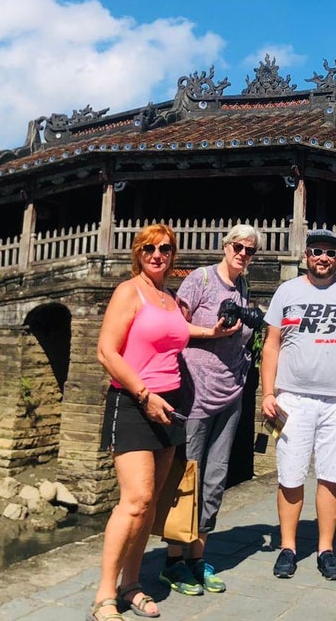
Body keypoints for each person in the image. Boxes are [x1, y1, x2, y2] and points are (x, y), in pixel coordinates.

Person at [91, 224, 234, 621]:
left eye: (165, 249)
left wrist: (211, 331)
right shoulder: (128, 292)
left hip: (168, 404)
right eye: (150, 248)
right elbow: (106, 351)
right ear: (138, 253)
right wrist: (143, 394)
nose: (158, 254)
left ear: (173, 255)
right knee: (135, 500)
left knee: (152, 503)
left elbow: (177, 332)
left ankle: (132, 584)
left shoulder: (168, 299)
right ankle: (105, 594)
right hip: (134, 401)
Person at [261, 228, 336, 582]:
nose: (323, 257)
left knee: (330, 475)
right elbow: (271, 345)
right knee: (290, 475)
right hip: (292, 397)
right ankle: (289, 547)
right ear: (306, 255)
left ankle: (326, 548)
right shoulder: (287, 291)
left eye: (329, 252)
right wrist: (268, 393)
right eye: (316, 251)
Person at [160, 224, 262, 597]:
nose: (243, 254)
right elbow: (175, 327)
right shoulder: (200, 281)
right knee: (187, 474)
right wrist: (213, 333)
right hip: (195, 392)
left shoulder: (244, 289)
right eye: (238, 246)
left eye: (250, 251)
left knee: (216, 477)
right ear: (225, 246)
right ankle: (172, 561)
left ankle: (197, 559)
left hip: (230, 394)